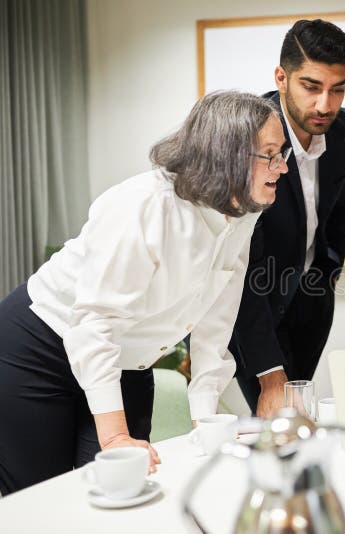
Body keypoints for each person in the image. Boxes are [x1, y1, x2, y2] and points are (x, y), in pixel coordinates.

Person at [0, 91, 287, 495]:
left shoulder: (243, 212)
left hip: (127, 359)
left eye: (282, 154)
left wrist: (206, 425)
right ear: (230, 155)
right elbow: (94, 323)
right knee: (44, 497)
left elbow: (216, 319)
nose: (282, 168)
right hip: (41, 345)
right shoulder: (144, 205)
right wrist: (116, 438)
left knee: (126, 492)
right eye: (271, 154)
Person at [228, 19, 345, 418]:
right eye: (312, 86)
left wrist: (324, 279)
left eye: (337, 89)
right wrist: (269, 373)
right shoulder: (248, 137)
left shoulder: (344, 131)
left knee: (297, 420)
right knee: (276, 416)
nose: (325, 105)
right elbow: (239, 264)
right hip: (252, 303)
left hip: (310, 303)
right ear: (281, 78)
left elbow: (339, 216)